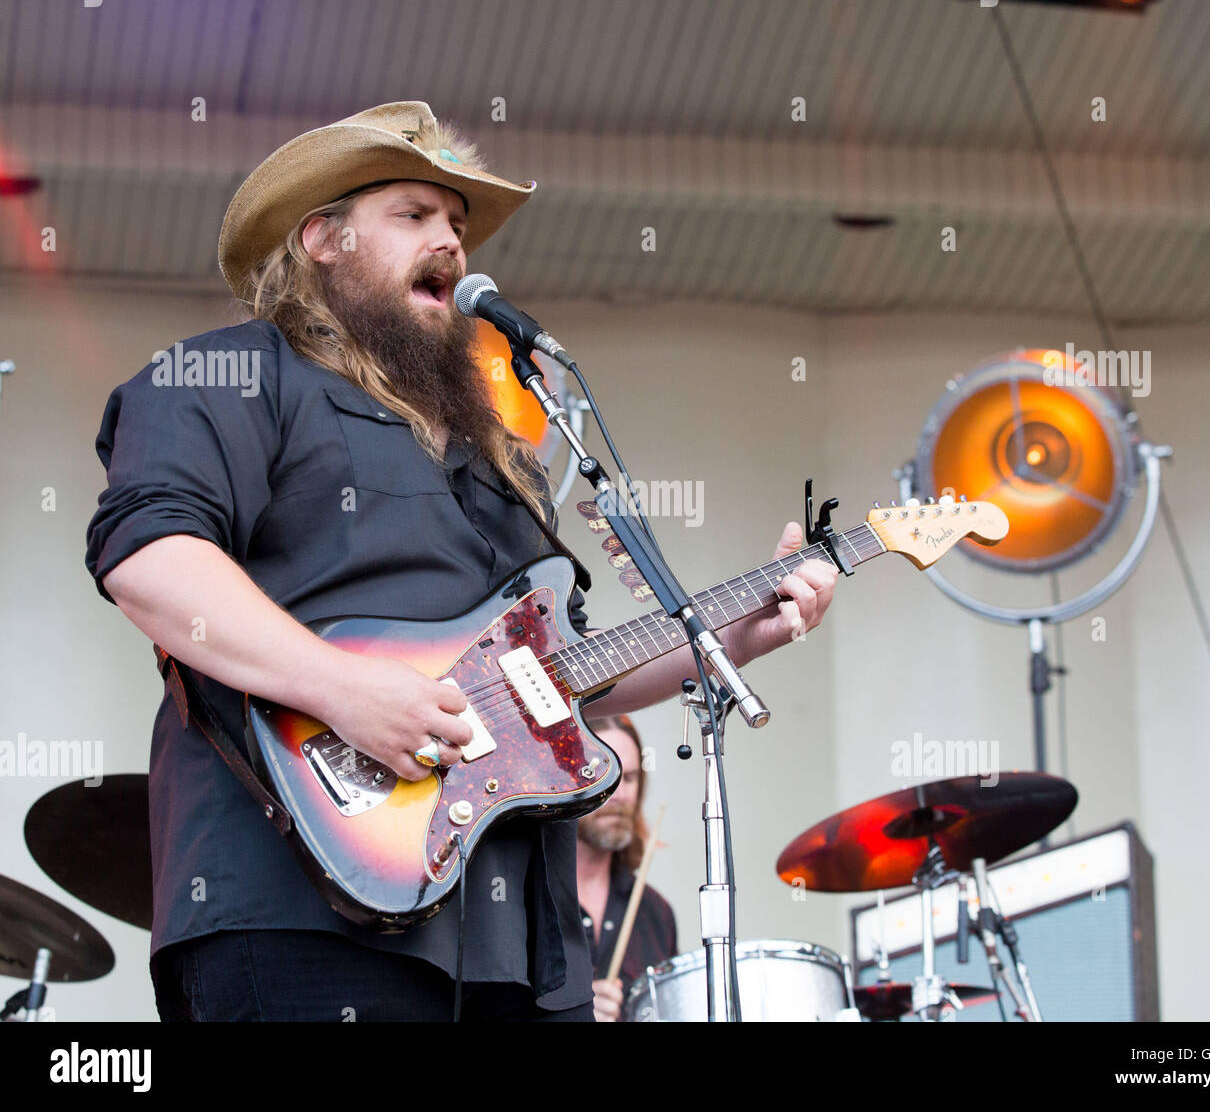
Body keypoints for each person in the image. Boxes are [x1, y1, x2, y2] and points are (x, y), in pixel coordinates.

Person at [85, 101, 838, 1022]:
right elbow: (148, 558)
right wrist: (343, 691)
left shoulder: (498, 458)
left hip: (514, 945)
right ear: (323, 238)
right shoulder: (231, 377)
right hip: (299, 910)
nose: (450, 241)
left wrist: (739, 635)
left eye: (457, 223)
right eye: (413, 214)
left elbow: (555, 680)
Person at [576, 715, 677, 1022]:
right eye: (603, 774)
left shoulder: (656, 913)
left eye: (629, 778)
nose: (619, 795)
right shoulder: (523, 901)